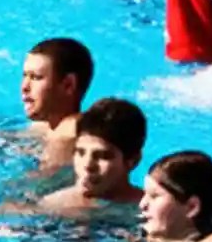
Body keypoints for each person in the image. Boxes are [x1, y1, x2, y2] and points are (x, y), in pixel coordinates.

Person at [39, 98, 146, 215]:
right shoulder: (55, 206)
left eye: (102, 156)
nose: (87, 165)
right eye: (80, 152)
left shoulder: (147, 210)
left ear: (133, 161)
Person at [20, 38, 95, 176]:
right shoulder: (46, 125)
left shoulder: (67, 138)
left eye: (36, 77)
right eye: (24, 76)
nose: (24, 87)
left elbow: (33, 191)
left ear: (68, 85)